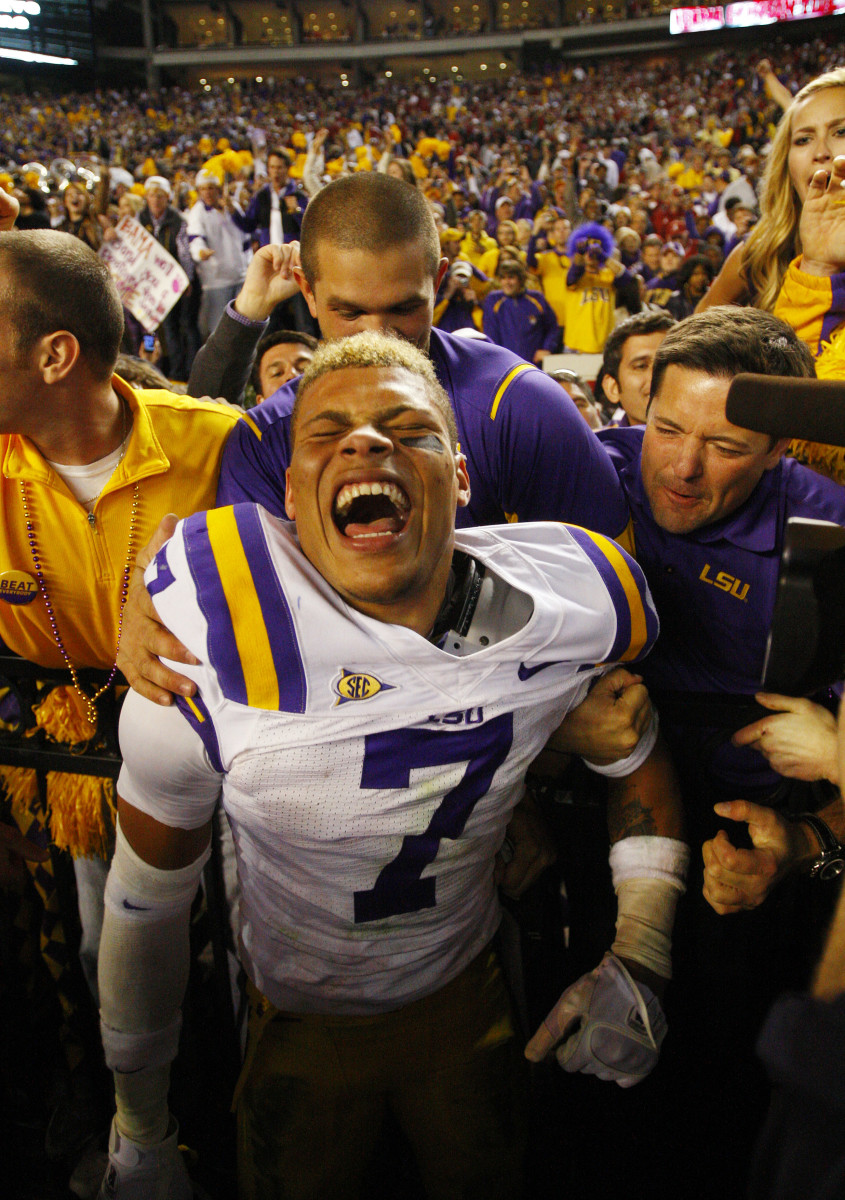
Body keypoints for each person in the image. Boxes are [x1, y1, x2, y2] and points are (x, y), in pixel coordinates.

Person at [98, 331, 685, 1199]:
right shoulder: (206, 642)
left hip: (467, 989)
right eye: (325, 433)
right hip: (297, 1013)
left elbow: (635, 747)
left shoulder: (572, 602)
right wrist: (139, 1123)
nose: (366, 444)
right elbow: (145, 898)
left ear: (460, 478)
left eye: (407, 431)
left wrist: (642, 949)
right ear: (289, 495)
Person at [0, 192, 241, 1177]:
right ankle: (103, 1113)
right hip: (51, 764)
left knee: (224, 959)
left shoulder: (222, 446)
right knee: (84, 955)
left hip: (209, 759)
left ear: (54, 357)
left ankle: (223, 1121)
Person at [596, 306, 845, 1198]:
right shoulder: (586, 468)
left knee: (719, 1094)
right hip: (602, 815)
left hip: (756, 844)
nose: (681, 466)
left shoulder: (828, 537)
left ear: (783, 449)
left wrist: (807, 847)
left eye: (726, 446)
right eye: (664, 428)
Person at [699, 67, 845, 315]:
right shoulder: (759, 253)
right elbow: (688, 344)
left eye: (841, 131)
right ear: (786, 163)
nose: (821, 151)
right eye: (803, 139)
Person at [137, 176, 198, 382]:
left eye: (160, 196)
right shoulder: (140, 218)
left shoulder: (177, 220)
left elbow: (184, 252)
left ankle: (179, 373)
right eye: (152, 195)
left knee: (175, 328)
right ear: (146, 197)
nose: (155, 200)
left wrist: (187, 278)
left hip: (170, 284)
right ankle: (149, 368)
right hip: (147, 285)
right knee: (149, 328)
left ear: (167, 198)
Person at [187, 168, 250, 341]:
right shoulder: (197, 213)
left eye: (211, 188)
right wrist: (200, 252)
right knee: (219, 332)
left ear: (219, 188)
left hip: (240, 276)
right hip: (216, 281)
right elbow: (195, 238)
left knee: (245, 327)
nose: (207, 192)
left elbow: (246, 236)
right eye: (203, 189)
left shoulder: (232, 206)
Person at [599, 310, 676, 427]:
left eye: (668, 363)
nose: (656, 376)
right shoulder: (597, 444)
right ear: (613, 388)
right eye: (641, 366)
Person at [482, 259, 560, 364]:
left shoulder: (537, 298)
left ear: (521, 279)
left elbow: (552, 327)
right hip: (506, 365)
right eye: (503, 278)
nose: (507, 282)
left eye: (511, 278)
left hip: (534, 366)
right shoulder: (493, 300)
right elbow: (491, 334)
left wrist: (547, 348)